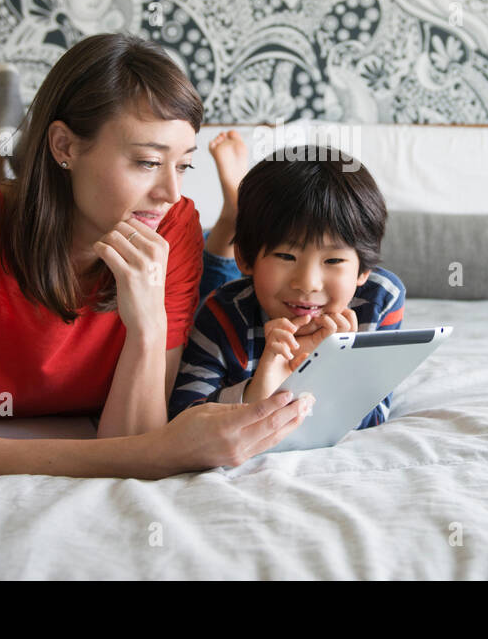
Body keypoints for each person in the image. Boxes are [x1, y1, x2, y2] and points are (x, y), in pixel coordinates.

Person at [0, 33, 311, 478]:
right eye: (148, 162)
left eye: (184, 165)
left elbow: (132, 444)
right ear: (65, 146)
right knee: (25, 185)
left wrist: (149, 327)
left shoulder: (172, 224)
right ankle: (10, 129)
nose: (171, 193)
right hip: (22, 206)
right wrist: (171, 449)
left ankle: (14, 133)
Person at [168, 143, 405, 428]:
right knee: (207, 286)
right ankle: (231, 216)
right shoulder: (221, 314)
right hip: (238, 292)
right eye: (286, 255)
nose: (307, 283)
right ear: (245, 258)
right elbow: (181, 420)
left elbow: (375, 417)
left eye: (333, 260)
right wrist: (258, 392)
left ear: (364, 269)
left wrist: (337, 364)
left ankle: (237, 212)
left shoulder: (380, 299)